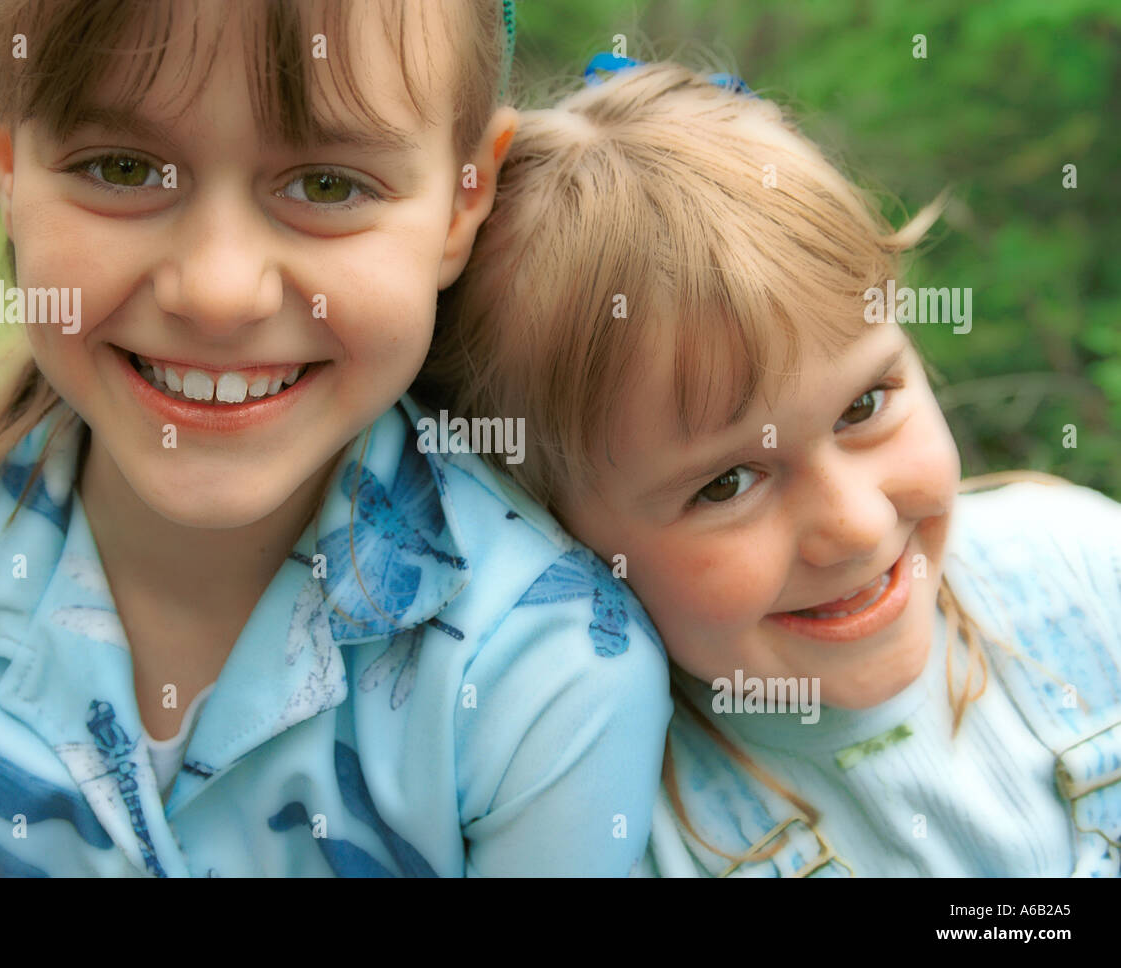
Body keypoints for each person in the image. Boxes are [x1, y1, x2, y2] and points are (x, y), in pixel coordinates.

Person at [0, 1, 671, 878]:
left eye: (328, 186)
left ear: (463, 204)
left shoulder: (550, 676)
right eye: (122, 167)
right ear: (6, 159)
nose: (219, 291)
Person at [417, 59, 1121, 876]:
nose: (856, 525)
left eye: (864, 406)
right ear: (552, 536)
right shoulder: (598, 826)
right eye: (726, 484)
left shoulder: (1086, 572)